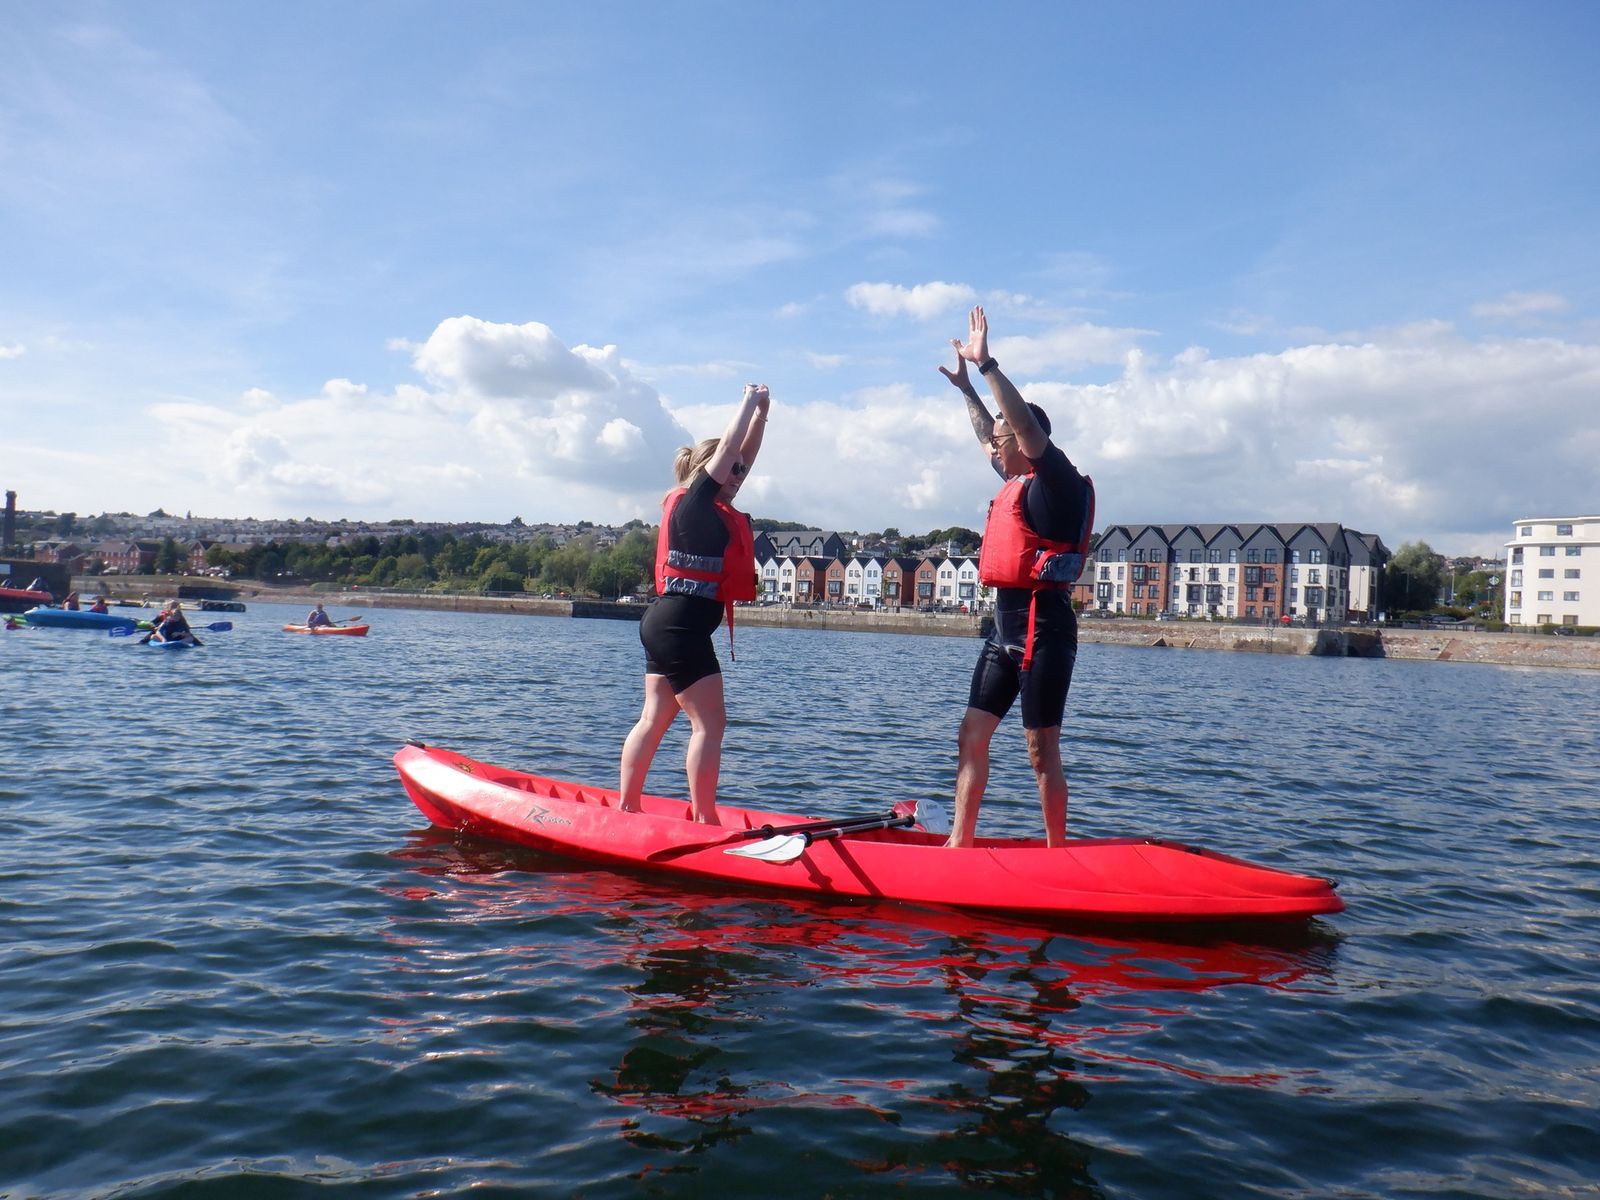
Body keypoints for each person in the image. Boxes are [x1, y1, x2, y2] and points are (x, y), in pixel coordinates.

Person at [938, 306, 1095, 848]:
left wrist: (988, 366)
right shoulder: (1015, 479)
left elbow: (1021, 426)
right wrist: (966, 389)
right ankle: (960, 842)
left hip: (1044, 631)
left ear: (1026, 444)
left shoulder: (1057, 484)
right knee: (971, 736)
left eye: (1001, 440)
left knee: (1040, 749)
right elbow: (995, 429)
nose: (992, 446)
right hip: (1002, 634)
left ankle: (1057, 854)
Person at [618, 383, 771, 825]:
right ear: (709, 471)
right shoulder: (695, 504)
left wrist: (762, 415)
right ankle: (705, 819)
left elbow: (741, 453)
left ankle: (628, 807)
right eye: (732, 468)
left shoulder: (707, 505)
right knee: (710, 724)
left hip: (666, 623)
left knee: (655, 717)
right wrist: (747, 401)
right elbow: (730, 448)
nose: (739, 474)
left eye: (741, 470)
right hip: (681, 627)